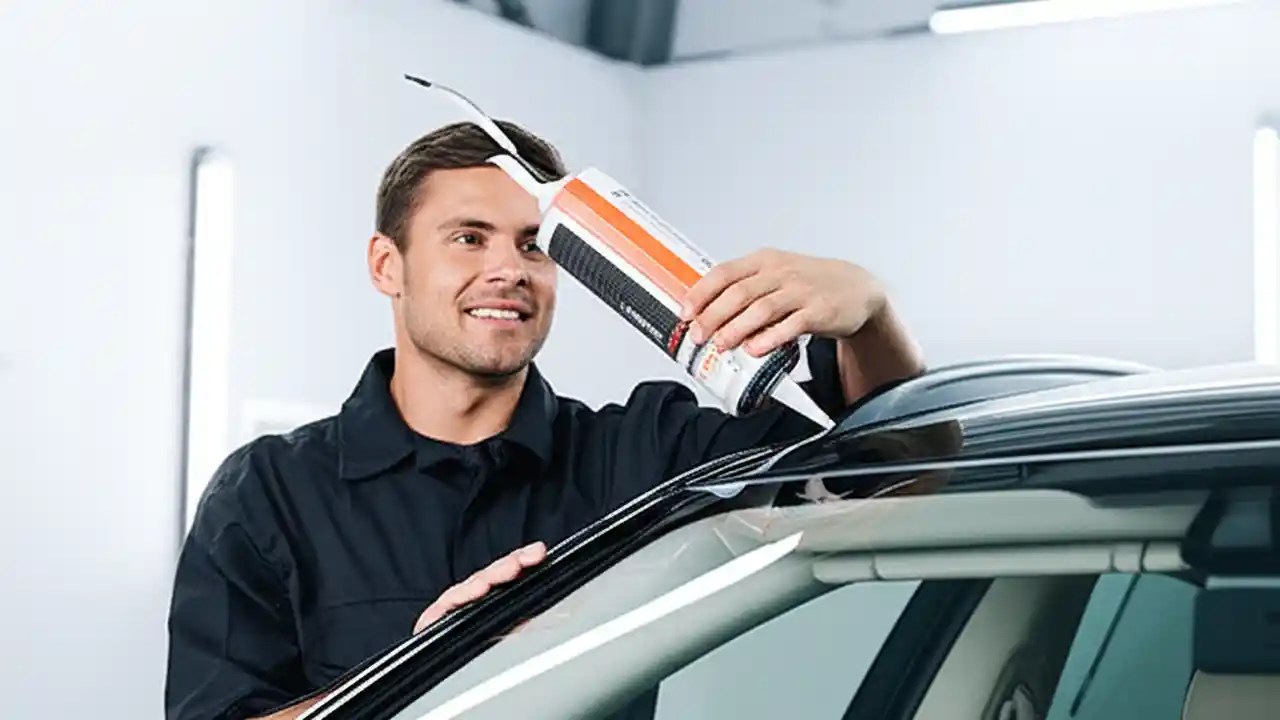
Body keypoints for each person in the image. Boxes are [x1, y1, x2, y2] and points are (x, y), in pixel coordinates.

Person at [163, 118, 925, 720]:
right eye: (469, 238)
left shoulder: (646, 453)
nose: (509, 269)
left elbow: (902, 488)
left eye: (535, 245)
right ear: (386, 265)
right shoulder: (268, 494)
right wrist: (424, 677)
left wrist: (871, 318)